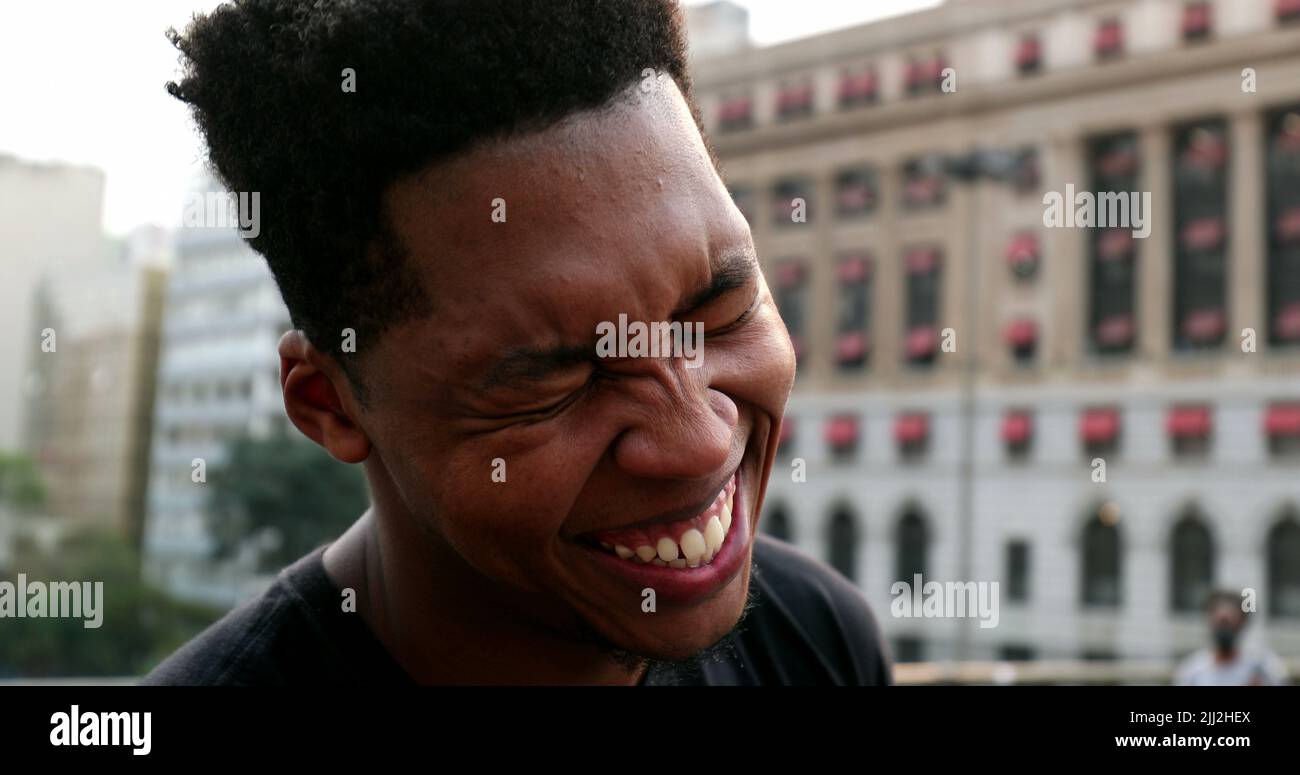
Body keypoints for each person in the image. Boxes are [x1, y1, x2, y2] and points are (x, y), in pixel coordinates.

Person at [143, 0, 890, 686]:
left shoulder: (817, 637)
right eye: (554, 381)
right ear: (330, 405)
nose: (698, 439)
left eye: (722, 312)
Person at [1174, 589, 1287, 686]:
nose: (1223, 629)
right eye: (1220, 622)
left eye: (1228, 622)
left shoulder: (1264, 666)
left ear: (1242, 623)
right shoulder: (1192, 669)